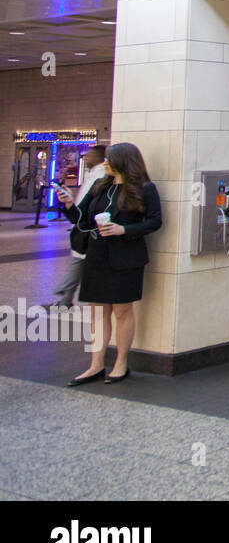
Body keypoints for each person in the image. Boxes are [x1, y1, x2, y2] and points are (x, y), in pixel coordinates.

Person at [56, 143, 161, 386]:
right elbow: (81, 220)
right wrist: (69, 204)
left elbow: (155, 222)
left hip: (126, 256)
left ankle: (121, 364)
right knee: (98, 312)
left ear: (123, 162)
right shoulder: (99, 186)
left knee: (122, 311)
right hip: (97, 254)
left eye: (109, 159)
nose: (105, 162)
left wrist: (123, 229)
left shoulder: (145, 189)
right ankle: (95, 365)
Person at [48, 145, 107, 307]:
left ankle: (64, 292)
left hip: (88, 229)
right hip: (83, 226)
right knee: (78, 261)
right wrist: (69, 202)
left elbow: (84, 208)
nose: (86, 158)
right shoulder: (94, 175)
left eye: (89, 155)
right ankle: (65, 297)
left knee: (79, 261)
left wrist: (73, 208)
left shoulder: (100, 177)